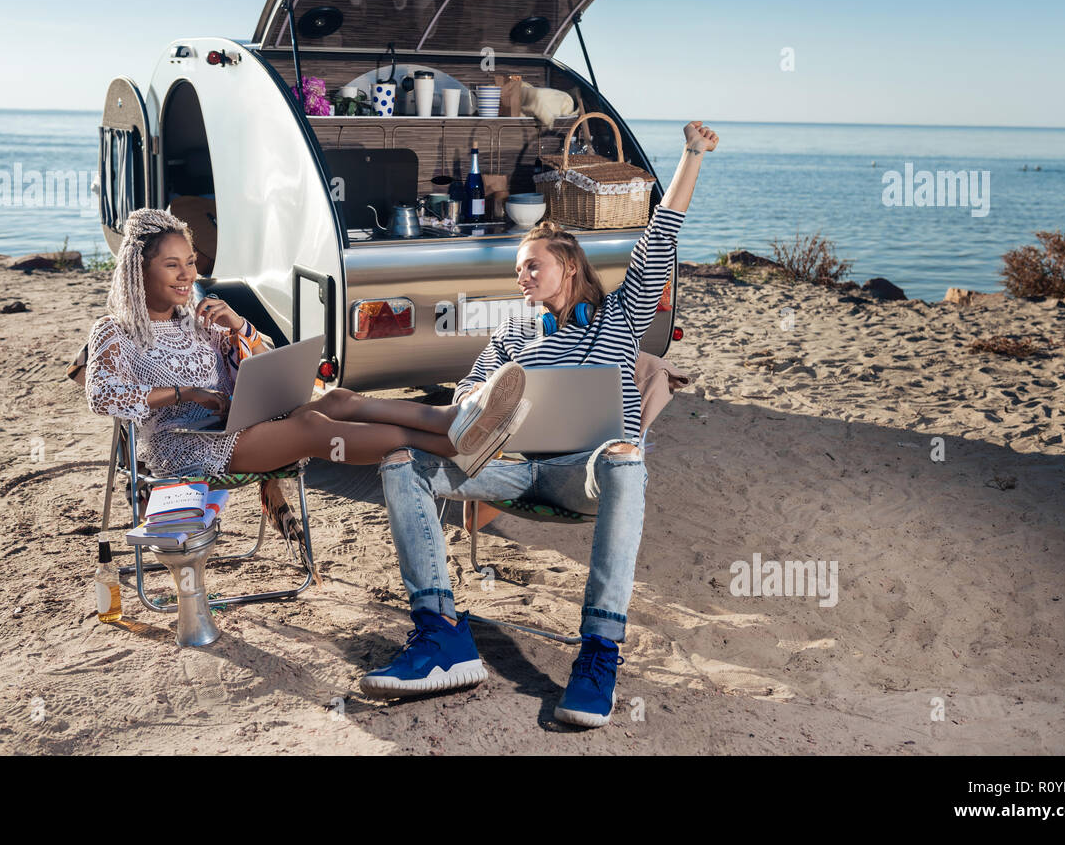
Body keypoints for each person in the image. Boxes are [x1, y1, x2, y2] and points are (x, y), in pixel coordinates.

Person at [361, 121, 719, 728]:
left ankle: (599, 653)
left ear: (570, 267)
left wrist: (691, 157)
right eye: (518, 271)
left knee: (627, 458)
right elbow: (470, 394)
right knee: (400, 464)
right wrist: (481, 397)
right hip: (512, 469)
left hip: (581, 474)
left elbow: (661, 238)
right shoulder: (511, 337)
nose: (521, 278)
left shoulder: (619, 318)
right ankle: (440, 632)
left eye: (532, 267)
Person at [84, 209, 529, 500]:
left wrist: (240, 327)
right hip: (185, 445)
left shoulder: (200, 318)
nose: (188, 275)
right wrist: (186, 393)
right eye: (172, 265)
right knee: (315, 424)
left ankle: (457, 418)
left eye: (191, 262)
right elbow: (102, 395)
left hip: (239, 423)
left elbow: (258, 365)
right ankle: (450, 446)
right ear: (139, 269)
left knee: (339, 399)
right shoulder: (114, 331)